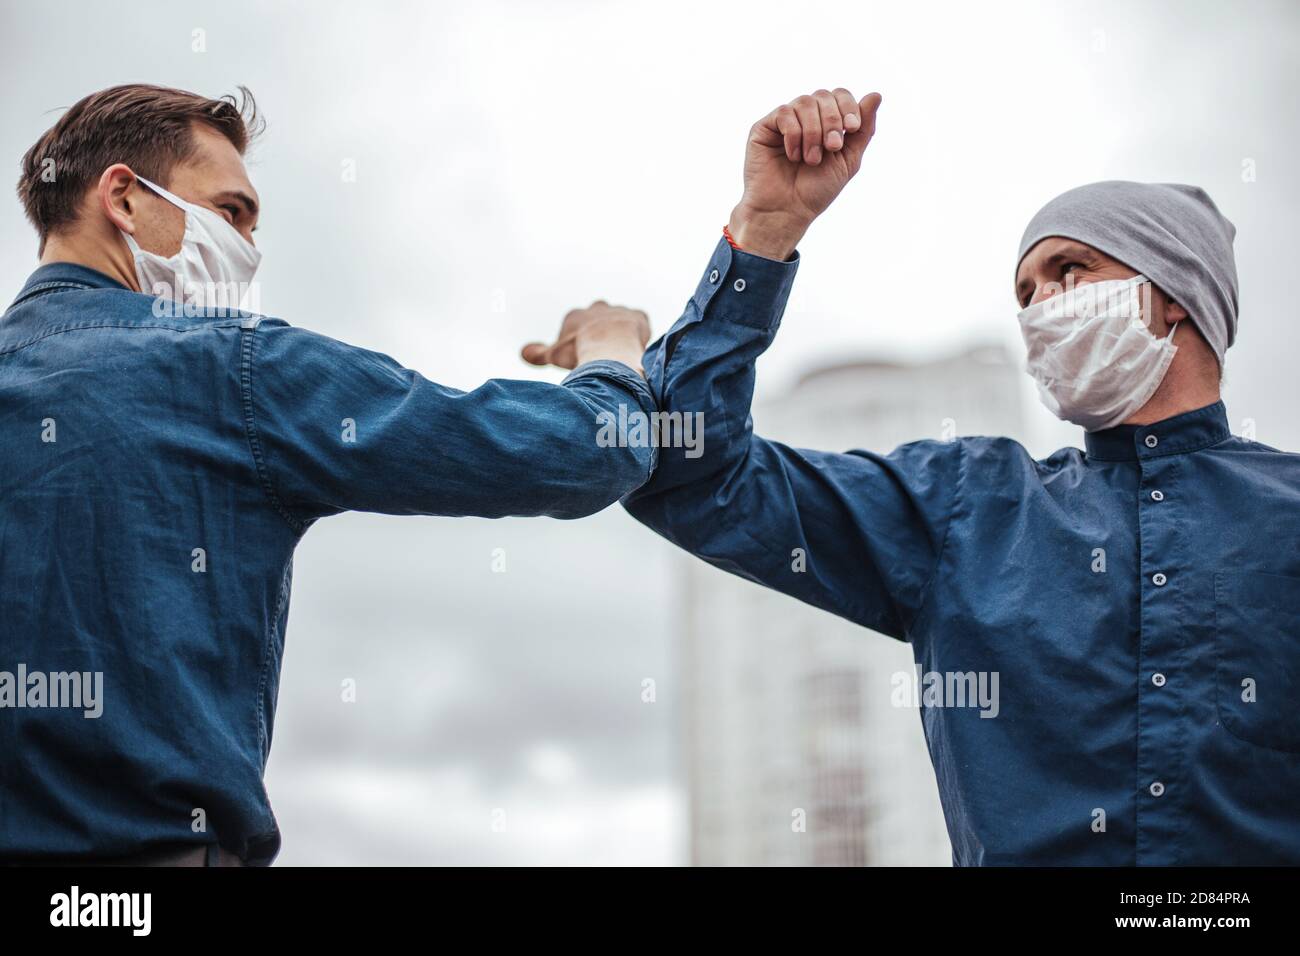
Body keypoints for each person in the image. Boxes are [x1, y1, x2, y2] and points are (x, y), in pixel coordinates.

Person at [530, 86, 1300, 865]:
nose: (1042, 309)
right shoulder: (968, 503)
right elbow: (695, 481)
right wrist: (766, 231)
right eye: (1026, 293)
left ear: (1173, 298)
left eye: (1071, 269)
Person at [0, 84, 655, 865]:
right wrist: (613, 351)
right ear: (124, 199)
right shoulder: (232, 369)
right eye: (233, 212)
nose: (249, 247)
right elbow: (583, 451)